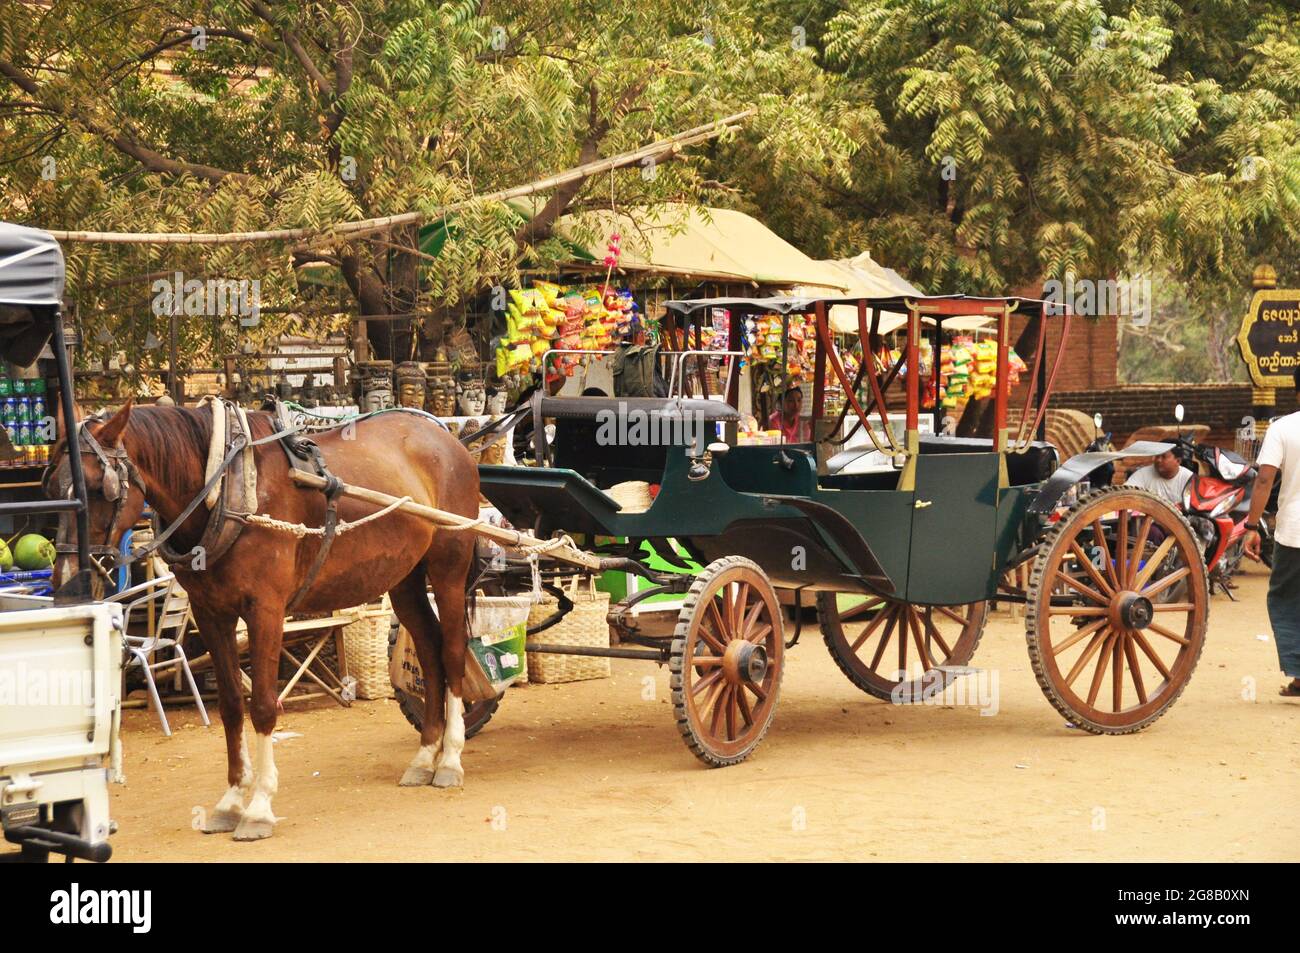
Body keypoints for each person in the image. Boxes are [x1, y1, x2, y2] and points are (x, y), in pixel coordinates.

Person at [1245, 368, 1300, 698]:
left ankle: (1299, 676)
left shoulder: (1283, 428)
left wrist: (1251, 526)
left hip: (1293, 532)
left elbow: (1264, 480)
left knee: (1286, 599)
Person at [1124, 447, 1192, 506]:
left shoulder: (1188, 478)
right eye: (1157, 456)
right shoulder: (1142, 474)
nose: (1158, 460)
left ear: (1178, 461)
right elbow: (1125, 494)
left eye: (1163, 457)